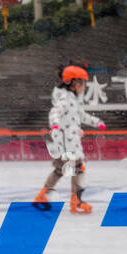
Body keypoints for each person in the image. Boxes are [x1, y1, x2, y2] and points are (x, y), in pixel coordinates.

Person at [35, 64, 105, 215]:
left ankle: (43, 196)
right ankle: (76, 200)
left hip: (70, 141)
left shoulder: (73, 100)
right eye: (83, 83)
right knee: (77, 169)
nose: (85, 86)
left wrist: (97, 122)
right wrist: (54, 126)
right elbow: (54, 112)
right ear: (74, 83)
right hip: (66, 143)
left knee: (62, 170)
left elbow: (82, 115)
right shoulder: (65, 98)